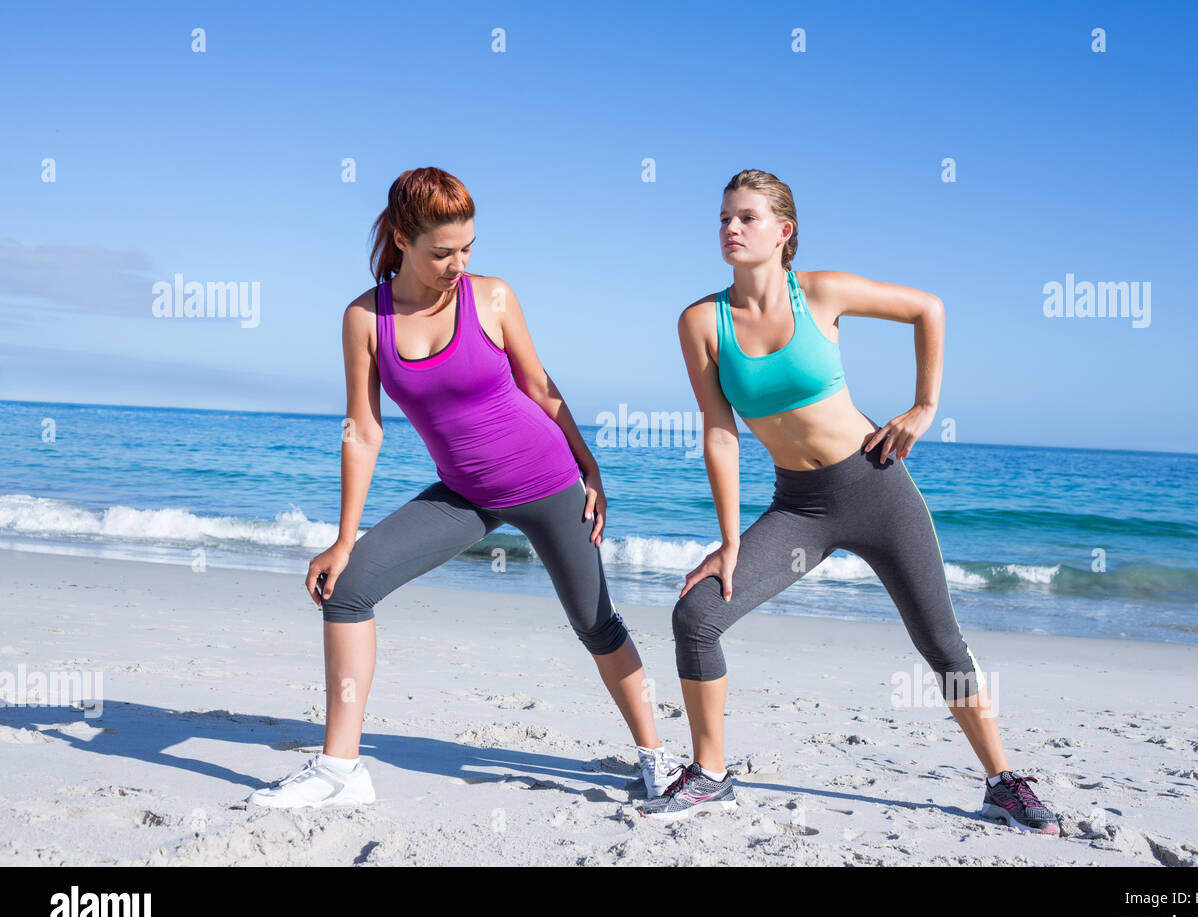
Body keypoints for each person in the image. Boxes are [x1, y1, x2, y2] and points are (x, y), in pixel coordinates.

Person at [639, 169, 1060, 834]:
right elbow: (719, 432)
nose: (730, 229)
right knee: (696, 615)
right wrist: (730, 541)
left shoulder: (821, 293)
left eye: (746, 217)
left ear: (785, 231)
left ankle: (1002, 782)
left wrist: (924, 407)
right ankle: (712, 774)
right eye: (723, 217)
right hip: (799, 507)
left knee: (940, 642)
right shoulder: (702, 322)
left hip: (875, 487)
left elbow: (930, 309)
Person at [247, 167, 681, 809]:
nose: (458, 264)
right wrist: (344, 539)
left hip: (549, 480)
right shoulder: (366, 319)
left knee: (596, 624)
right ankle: (340, 771)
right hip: (464, 494)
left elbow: (540, 387)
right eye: (442, 251)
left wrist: (591, 469)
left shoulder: (494, 298)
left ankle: (657, 758)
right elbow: (363, 431)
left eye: (467, 248)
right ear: (402, 238)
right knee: (349, 589)